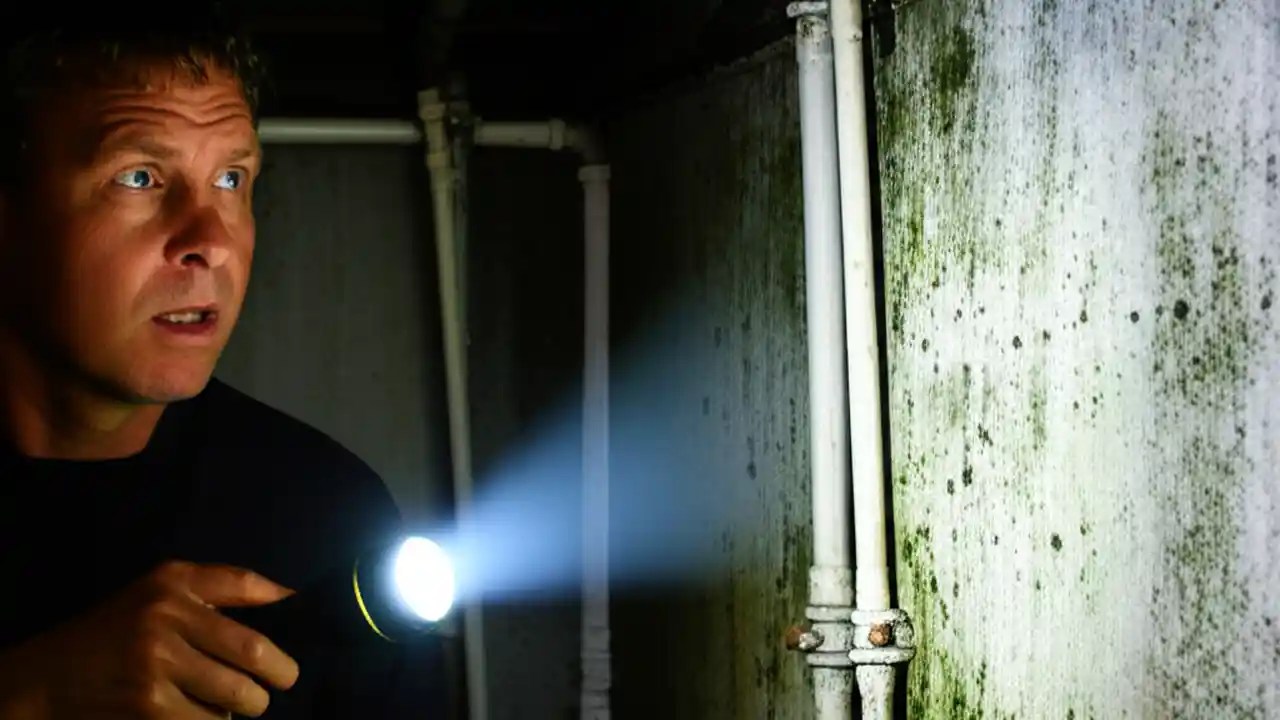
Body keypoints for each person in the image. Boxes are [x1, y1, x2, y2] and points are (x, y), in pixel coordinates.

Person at [0, 6, 446, 719]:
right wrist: (32, 693)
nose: (210, 239)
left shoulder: (329, 517)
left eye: (232, 180)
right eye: (140, 177)